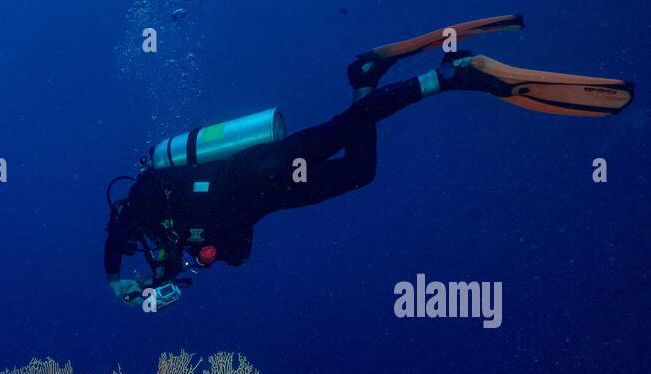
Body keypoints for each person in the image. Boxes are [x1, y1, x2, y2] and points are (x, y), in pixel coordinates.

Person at [105, 15, 634, 307]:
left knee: (340, 132)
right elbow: (236, 247)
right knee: (361, 169)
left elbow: (117, 239)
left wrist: (115, 281)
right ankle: (365, 77)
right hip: (275, 193)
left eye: (135, 250)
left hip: (258, 169)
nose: (138, 251)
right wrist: (185, 269)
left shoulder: (146, 200)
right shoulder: (172, 242)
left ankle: (450, 77)